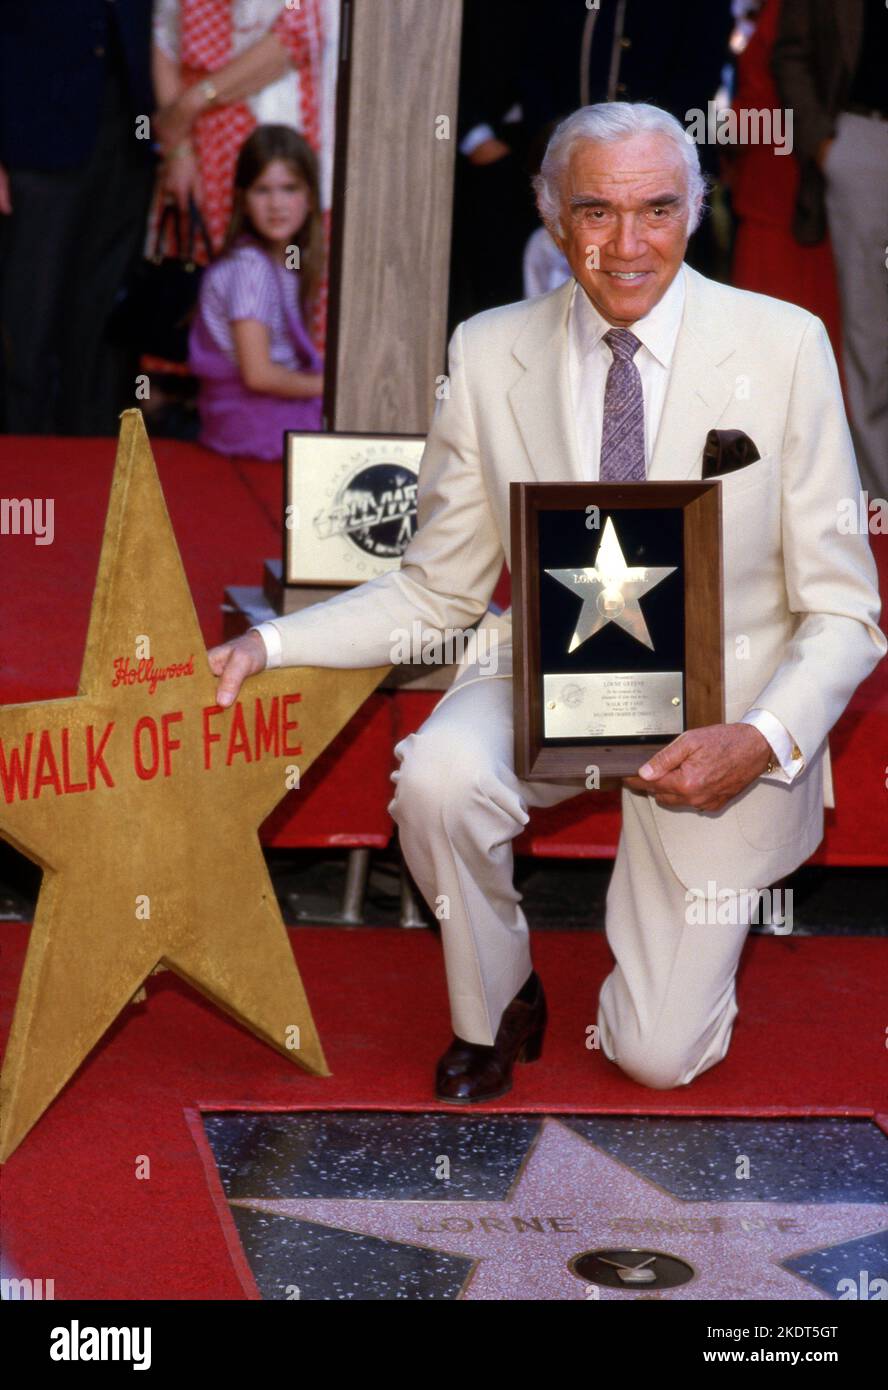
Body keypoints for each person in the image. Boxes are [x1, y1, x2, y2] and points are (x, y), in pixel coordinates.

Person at [207, 103, 885, 1103]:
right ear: (551, 217)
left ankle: (666, 944)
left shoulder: (786, 345)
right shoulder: (486, 351)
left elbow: (845, 612)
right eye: (596, 212)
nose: (626, 244)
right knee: (438, 775)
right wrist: (270, 645)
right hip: (551, 676)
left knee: (657, 1058)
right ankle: (499, 999)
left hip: (729, 714)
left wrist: (760, 737)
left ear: (694, 211)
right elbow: (440, 586)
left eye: (655, 210)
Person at [0, 0, 156, 434]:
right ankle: (21, 449)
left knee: (101, 312)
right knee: (28, 309)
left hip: (127, 137)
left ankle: (88, 450)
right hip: (32, 140)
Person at [150, 0, 339, 351]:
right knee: (203, 285)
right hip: (199, 147)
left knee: (284, 285)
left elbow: (295, 33)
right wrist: (178, 147)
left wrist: (191, 103)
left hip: (273, 131)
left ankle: (283, 386)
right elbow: (163, 35)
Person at [771, 0, 888, 498]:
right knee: (869, 331)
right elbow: (791, 53)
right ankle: (882, 493)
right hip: (862, 138)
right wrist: (823, 144)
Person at [187, 125, 324, 460]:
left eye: (289, 188)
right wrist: (333, 387)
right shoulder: (251, 268)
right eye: (262, 190)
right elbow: (258, 374)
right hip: (250, 419)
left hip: (267, 412)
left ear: (309, 198)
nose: (276, 204)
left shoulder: (285, 264)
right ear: (242, 200)